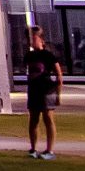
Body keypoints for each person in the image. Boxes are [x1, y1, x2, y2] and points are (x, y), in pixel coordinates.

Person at [21, 25, 62, 157]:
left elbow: (58, 74)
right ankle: (33, 149)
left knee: (48, 118)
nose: (31, 41)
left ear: (41, 40)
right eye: (29, 39)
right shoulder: (29, 56)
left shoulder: (48, 55)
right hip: (34, 90)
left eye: (34, 38)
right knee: (33, 119)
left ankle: (49, 150)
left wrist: (58, 94)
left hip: (47, 90)